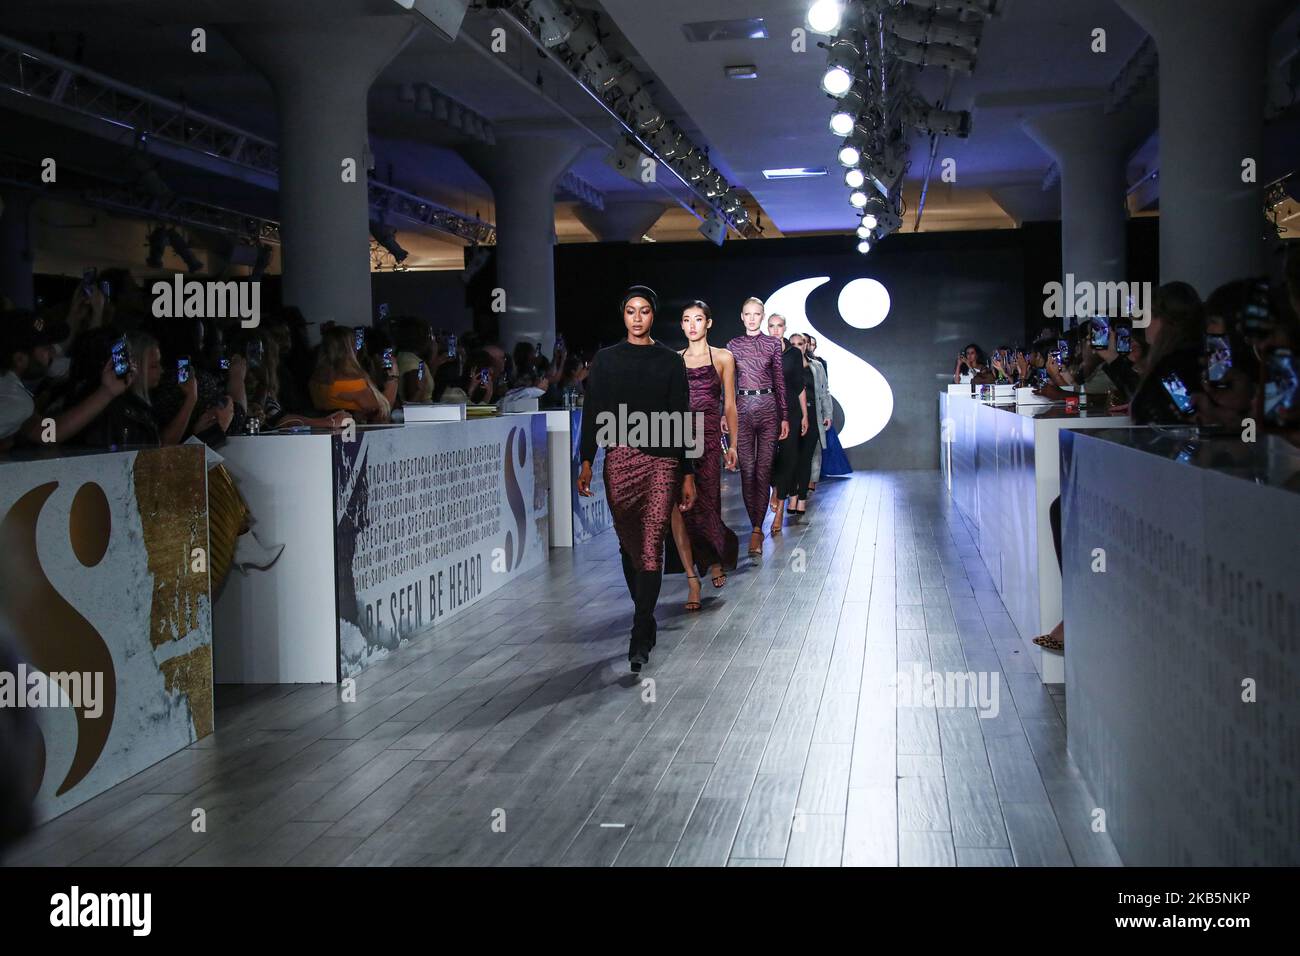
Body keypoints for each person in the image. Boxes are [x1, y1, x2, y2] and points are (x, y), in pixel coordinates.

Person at [577, 286, 696, 673]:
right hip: (621, 458)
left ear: (653, 315)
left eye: (644, 311)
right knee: (630, 547)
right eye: (630, 311)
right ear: (623, 316)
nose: (638, 317)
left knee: (650, 546)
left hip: (662, 459)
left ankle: (639, 629)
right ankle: (645, 617)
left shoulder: (669, 361)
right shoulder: (606, 360)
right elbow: (594, 410)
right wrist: (587, 460)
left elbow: (681, 416)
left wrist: (688, 473)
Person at [666, 300, 739, 613]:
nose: (692, 325)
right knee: (681, 509)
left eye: (698, 319)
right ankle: (693, 577)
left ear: (708, 323)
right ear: (681, 325)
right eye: (686, 320)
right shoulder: (673, 360)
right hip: (679, 436)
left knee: (707, 502)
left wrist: (732, 444)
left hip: (708, 437)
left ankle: (715, 557)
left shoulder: (723, 357)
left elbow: (730, 405)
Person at [725, 296, 787, 558]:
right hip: (742, 408)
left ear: (762, 316)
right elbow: (727, 383)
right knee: (747, 471)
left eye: (756, 314)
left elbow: (780, 381)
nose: (752, 318)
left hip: (769, 407)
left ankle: (755, 530)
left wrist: (784, 415)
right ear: (742, 316)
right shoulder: (733, 345)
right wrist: (723, 413)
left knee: (763, 471)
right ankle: (755, 526)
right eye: (747, 314)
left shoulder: (773, 343)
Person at [767, 313, 807, 531]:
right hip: (768, 410)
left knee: (789, 457)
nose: (775, 330)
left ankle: (779, 512)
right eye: (771, 326)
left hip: (791, 410)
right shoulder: (762, 349)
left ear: (785, 327)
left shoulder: (793, 354)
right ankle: (775, 487)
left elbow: (799, 385)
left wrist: (805, 416)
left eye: (779, 326)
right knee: (769, 456)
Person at [309, 326, 391, 423]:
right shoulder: (351, 383)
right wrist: (393, 378)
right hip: (355, 433)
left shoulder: (316, 379)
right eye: (355, 344)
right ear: (349, 349)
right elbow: (381, 415)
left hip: (330, 432)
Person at [788, 332, 827, 516]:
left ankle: (801, 499)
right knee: (792, 460)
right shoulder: (784, 365)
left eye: (800, 343)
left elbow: (824, 391)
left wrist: (827, 413)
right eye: (793, 343)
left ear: (806, 345)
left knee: (805, 460)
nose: (797, 346)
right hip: (792, 416)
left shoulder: (817, 366)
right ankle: (793, 497)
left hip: (812, 416)